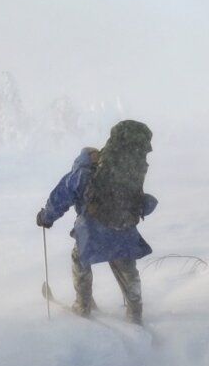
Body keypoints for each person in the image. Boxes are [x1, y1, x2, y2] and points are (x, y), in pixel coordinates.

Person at [36, 120, 158, 325]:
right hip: (124, 227)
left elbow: (60, 198)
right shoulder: (124, 171)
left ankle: (82, 305)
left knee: (80, 259)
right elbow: (142, 202)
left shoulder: (81, 172)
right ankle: (135, 313)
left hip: (94, 230)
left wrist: (45, 218)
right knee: (126, 266)